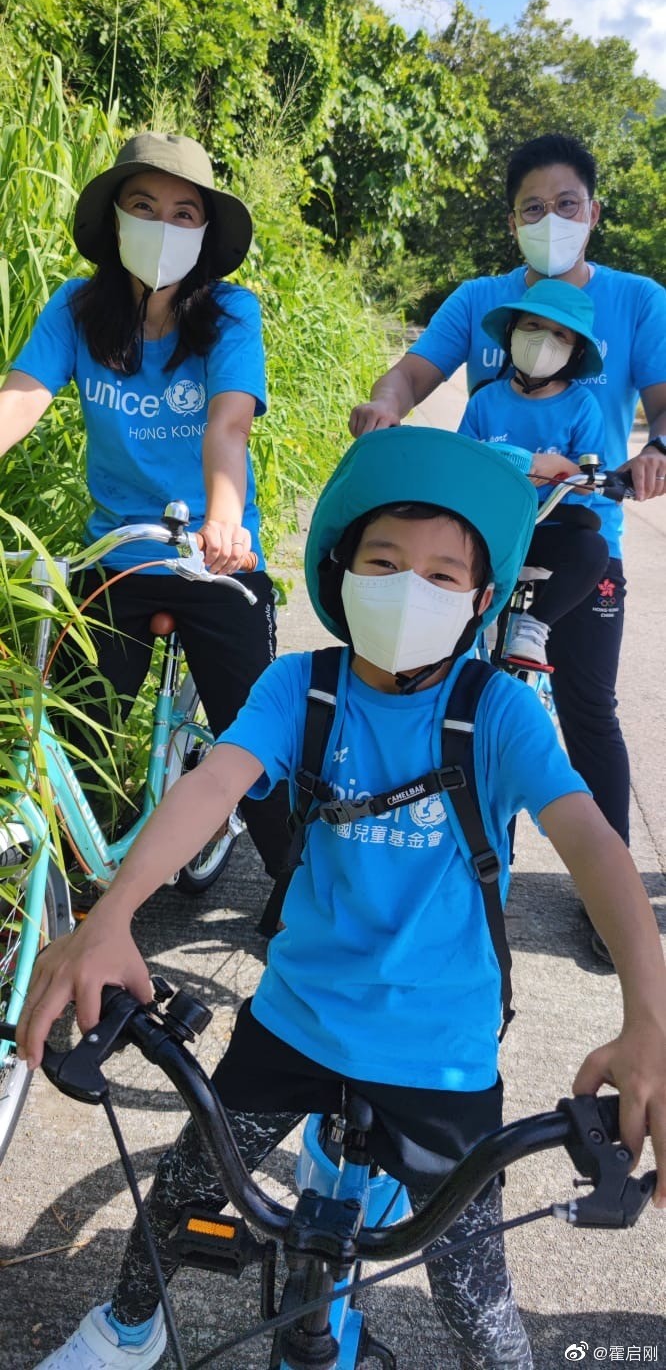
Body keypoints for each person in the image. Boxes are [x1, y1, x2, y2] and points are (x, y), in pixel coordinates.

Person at [17, 429, 666, 1370]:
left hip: (438, 1051)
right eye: (386, 563)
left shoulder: (497, 711)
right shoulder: (301, 687)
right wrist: (112, 913)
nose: (413, 590)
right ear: (342, 574)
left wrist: (647, 1016)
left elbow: (598, 851)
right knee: (184, 1186)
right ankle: (129, 1329)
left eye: (446, 577)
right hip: (295, 1016)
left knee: (475, 1293)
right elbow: (212, 785)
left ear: (482, 602)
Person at [349, 132, 666, 857]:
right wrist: (384, 409)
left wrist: (655, 454)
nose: (549, 219)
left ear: (593, 211)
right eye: (532, 207)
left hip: (584, 538)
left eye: (566, 204)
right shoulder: (479, 302)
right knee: (453, 698)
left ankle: (606, 882)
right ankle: (469, 854)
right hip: (485, 541)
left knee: (589, 709)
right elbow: (409, 377)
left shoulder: (639, 301)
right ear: (512, 220)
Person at [0, 130, 291, 911]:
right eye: (144, 206)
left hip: (212, 554)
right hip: (118, 551)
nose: (163, 226)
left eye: (184, 212)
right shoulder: (77, 307)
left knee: (253, 735)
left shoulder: (230, 313)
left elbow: (228, 426)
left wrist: (226, 523)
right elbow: (21, 398)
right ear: (116, 218)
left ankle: (305, 894)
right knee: (74, 732)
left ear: (205, 233)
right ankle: (60, 896)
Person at [458, 278, 611, 665]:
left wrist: (564, 470)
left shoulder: (582, 405)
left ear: (575, 351)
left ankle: (534, 625)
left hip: (547, 524)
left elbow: (589, 480)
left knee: (592, 548)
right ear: (511, 332)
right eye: (532, 327)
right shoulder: (485, 400)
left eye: (560, 334)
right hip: (493, 527)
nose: (544, 340)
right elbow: (462, 460)